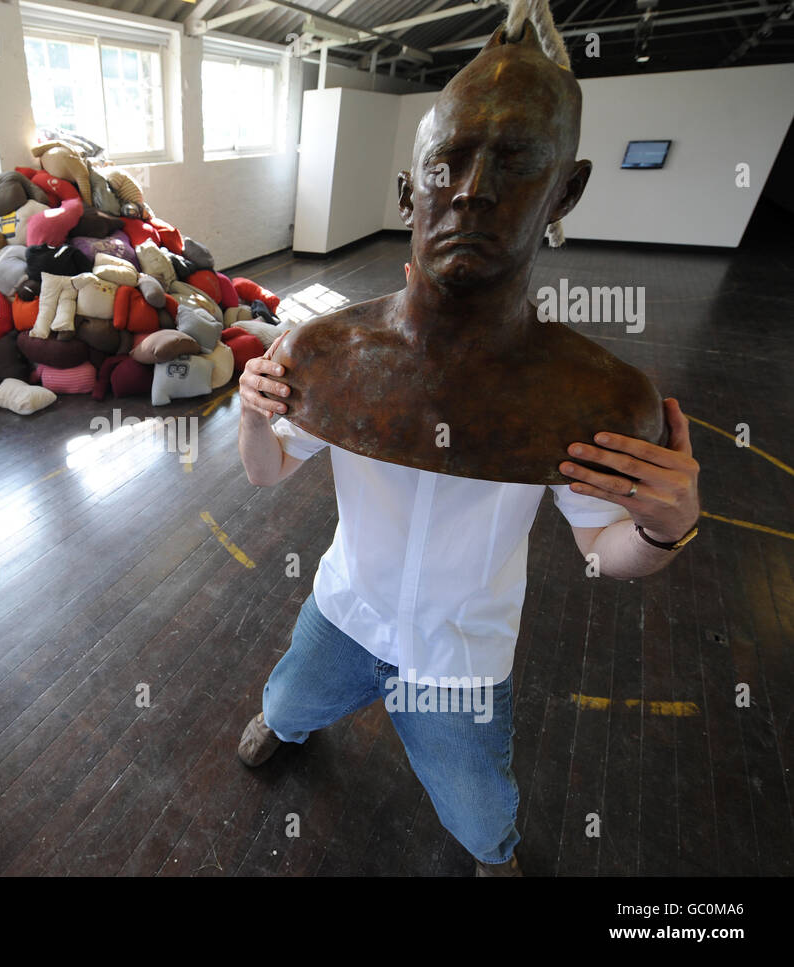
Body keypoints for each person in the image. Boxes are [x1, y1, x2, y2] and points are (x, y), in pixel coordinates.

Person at [235, 17, 701, 877]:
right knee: (288, 700)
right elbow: (265, 474)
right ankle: (287, 723)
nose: (474, 191)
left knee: (482, 811)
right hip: (342, 611)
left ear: (566, 193)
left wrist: (667, 528)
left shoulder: (587, 396)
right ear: (413, 191)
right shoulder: (329, 356)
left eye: (518, 161)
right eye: (450, 164)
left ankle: (492, 854)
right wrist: (252, 417)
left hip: (461, 650)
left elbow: (605, 547)